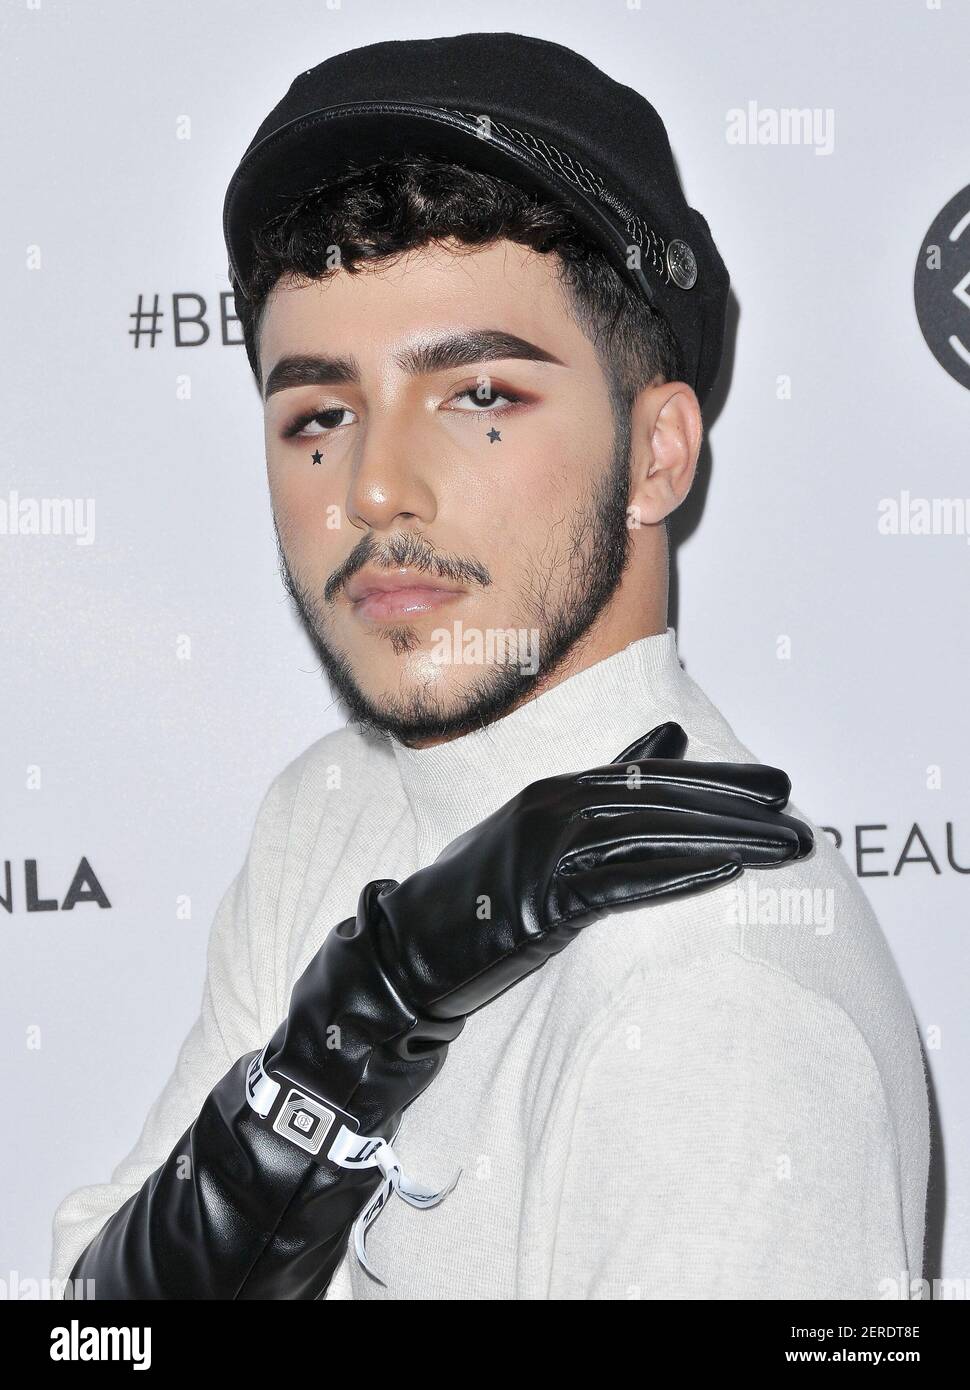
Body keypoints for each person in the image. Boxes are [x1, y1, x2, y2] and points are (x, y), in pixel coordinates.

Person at [50, 32, 929, 1300]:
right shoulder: (331, 804)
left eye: (478, 396)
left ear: (658, 456)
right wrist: (337, 1047)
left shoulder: (715, 999)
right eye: (319, 413)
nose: (374, 486)